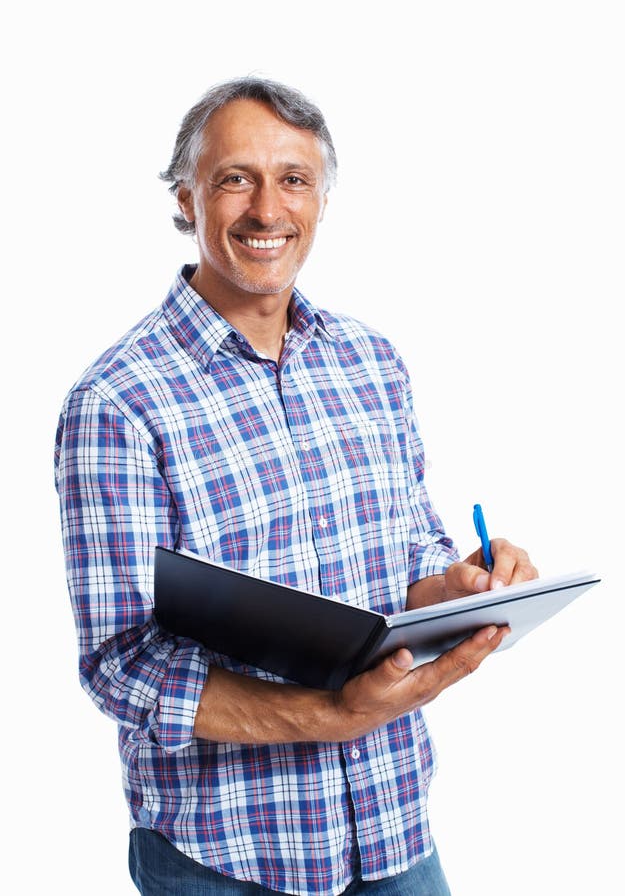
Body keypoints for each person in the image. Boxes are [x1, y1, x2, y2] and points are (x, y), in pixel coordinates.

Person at [55, 77, 537, 896]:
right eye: (234, 177)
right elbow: (121, 662)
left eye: (294, 179)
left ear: (321, 199)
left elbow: (408, 547)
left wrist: (456, 585)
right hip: (227, 855)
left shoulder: (370, 361)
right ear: (185, 198)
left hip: (393, 828)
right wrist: (330, 716)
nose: (266, 209)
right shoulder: (118, 402)